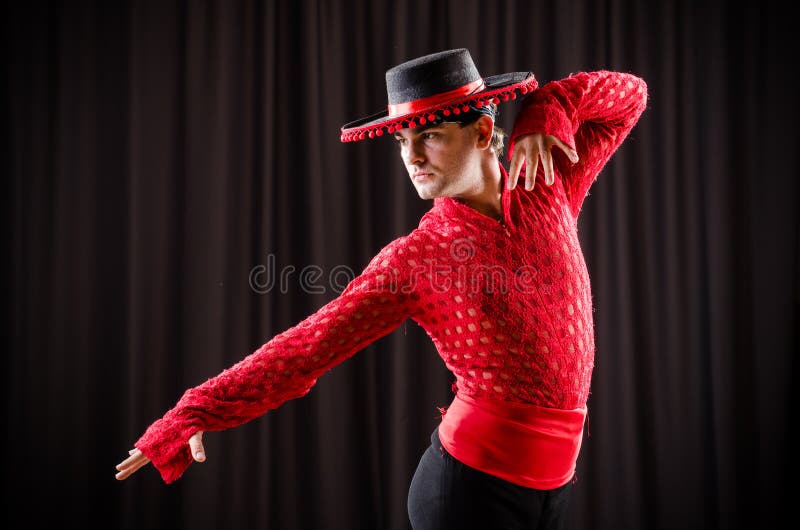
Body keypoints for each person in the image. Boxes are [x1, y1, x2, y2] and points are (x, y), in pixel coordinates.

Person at [116, 48, 647, 530]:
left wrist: (547, 111)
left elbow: (629, 97)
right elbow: (305, 351)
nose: (412, 157)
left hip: (554, 489)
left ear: (484, 132)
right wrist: (196, 409)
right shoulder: (415, 259)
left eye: (430, 136)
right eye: (403, 141)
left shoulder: (548, 181)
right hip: (469, 495)